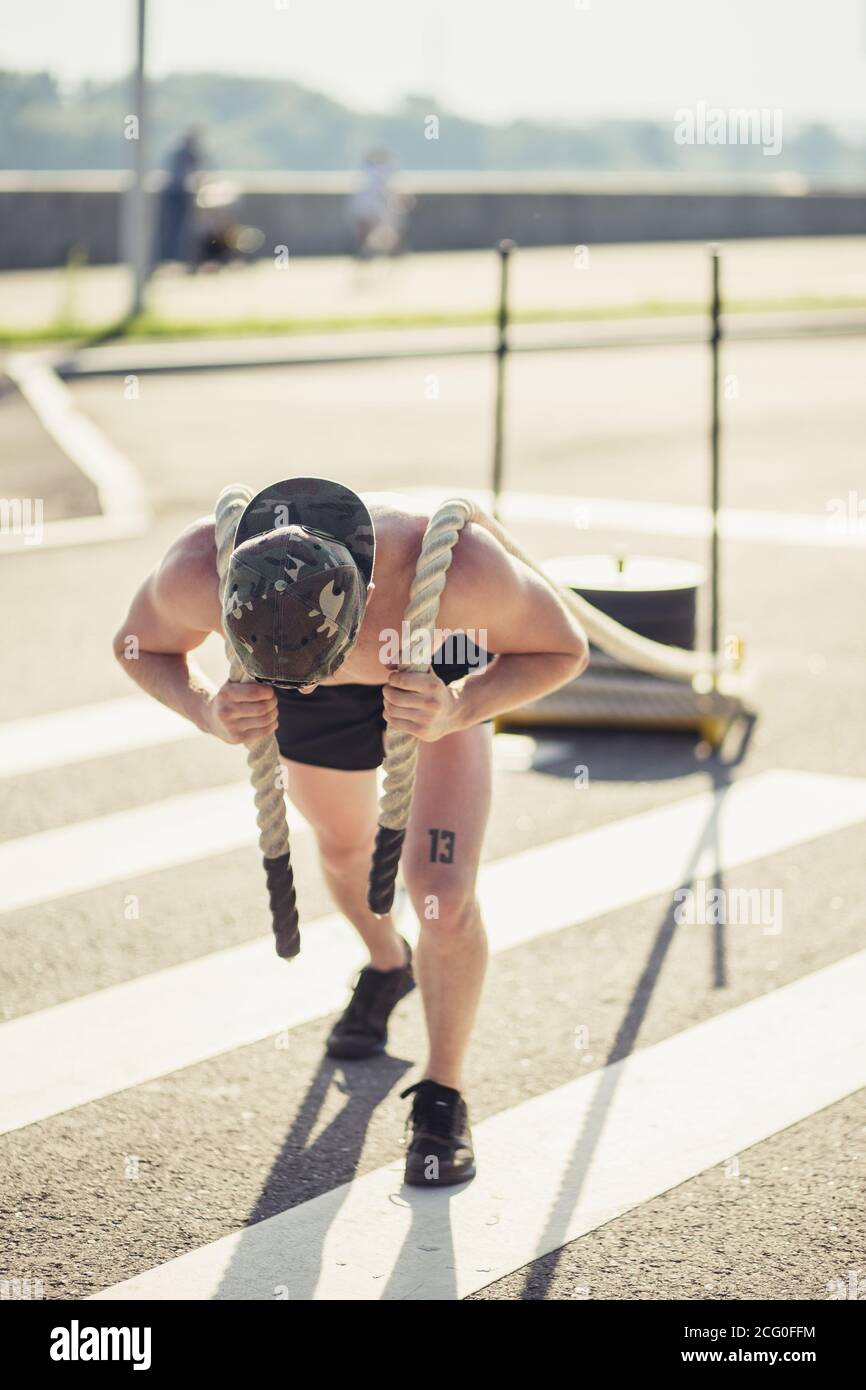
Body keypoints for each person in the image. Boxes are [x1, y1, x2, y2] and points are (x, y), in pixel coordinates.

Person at [113, 478, 588, 1185]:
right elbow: (135, 645)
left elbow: (562, 649)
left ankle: (442, 1094)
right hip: (296, 685)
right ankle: (387, 964)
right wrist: (207, 708)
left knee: (442, 894)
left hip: (430, 672)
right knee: (342, 848)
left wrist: (458, 708)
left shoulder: (460, 570)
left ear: (363, 600)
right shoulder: (195, 568)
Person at [158, 129, 202, 265]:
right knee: (180, 228)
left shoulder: (176, 151)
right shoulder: (187, 152)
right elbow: (196, 168)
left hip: (171, 191)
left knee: (171, 227)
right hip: (180, 192)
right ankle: (176, 257)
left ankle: (169, 256)